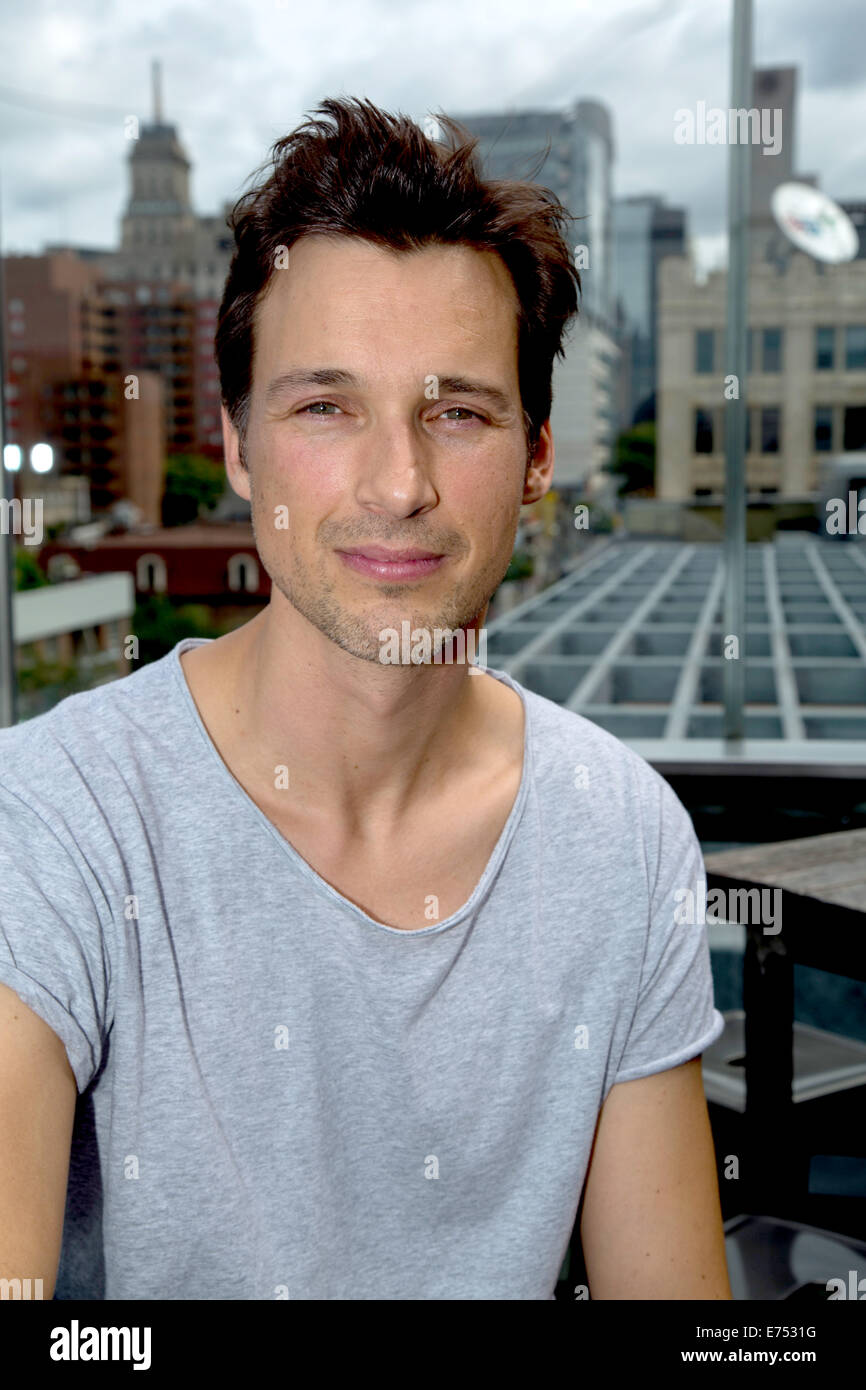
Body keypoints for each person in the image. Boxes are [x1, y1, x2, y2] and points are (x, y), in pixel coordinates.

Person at [0, 97, 730, 1300]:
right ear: (237, 443)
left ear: (538, 455)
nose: (397, 485)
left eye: (456, 412)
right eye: (324, 406)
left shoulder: (622, 833)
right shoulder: (55, 819)